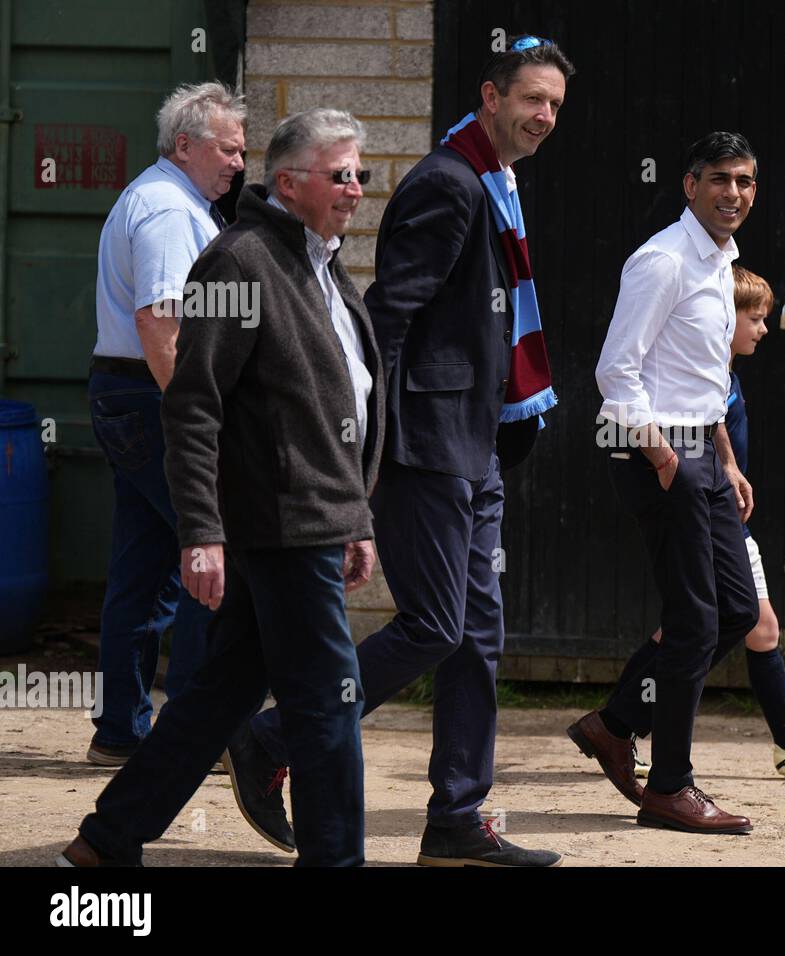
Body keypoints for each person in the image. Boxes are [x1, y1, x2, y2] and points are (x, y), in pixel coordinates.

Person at [223, 35, 571, 868]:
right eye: (531, 99)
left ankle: (457, 816)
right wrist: (371, 449)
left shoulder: (497, 180)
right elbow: (388, 319)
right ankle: (272, 737)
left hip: (476, 440)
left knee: (476, 637)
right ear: (491, 98)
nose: (544, 116)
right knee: (432, 624)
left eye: (555, 103)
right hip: (426, 444)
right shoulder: (450, 183)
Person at [59, 107, 383, 867]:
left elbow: (344, 402)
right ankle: (337, 861)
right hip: (278, 521)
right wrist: (201, 532)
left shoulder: (320, 262)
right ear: (291, 179)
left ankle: (109, 838)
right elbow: (195, 404)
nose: (356, 189)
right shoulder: (236, 263)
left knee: (224, 689)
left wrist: (357, 513)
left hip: (316, 514)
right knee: (328, 703)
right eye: (342, 174)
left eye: (361, 174)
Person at [570, 132, 762, 835]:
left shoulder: (721, 261)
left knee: (736, 611)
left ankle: (617, 723)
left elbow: (699, 380)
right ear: (689, 185)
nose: (733, 193)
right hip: (660, 457)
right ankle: (669, 788)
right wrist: (664, 459)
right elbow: (616, 373)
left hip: (702, 454)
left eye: (744, 181)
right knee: (694, 623)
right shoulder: (662, 260)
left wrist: (726, 461)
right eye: (720, 179)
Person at [86, 82, 245, 766]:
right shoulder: (169, 209)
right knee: (212, 553)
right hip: (154, 401)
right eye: (229, 148)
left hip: (132, 398)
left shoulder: (170, 201)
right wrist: (194, 422)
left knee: (144, 568)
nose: (240, 162)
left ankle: (120, 730)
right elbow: (160, 321)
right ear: (185, 145)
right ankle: (192, 731)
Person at [628, 266, 785, 780]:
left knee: (753, 626)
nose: (762, 328)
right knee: (699, 627)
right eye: (753, 318)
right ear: (721, 316)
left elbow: (718, 435)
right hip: (711, 515)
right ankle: (623, 720)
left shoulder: (726, 376)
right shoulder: (699, 371)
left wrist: (732, 468)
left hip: (728, 515)